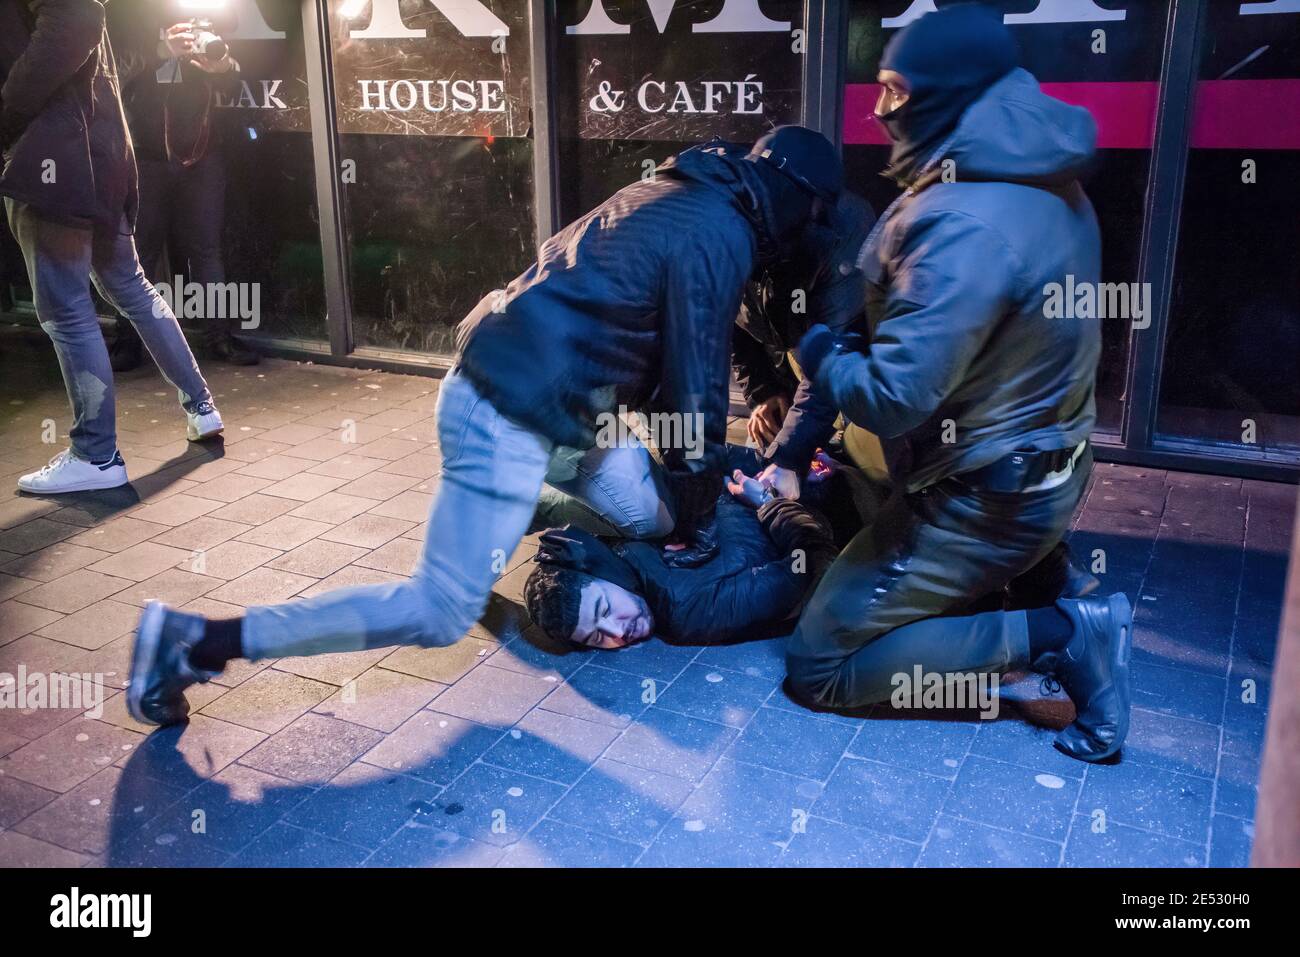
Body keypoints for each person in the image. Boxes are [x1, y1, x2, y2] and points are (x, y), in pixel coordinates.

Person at [126, 126, 843, 727]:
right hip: (510, 406)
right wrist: (707, 509)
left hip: (560, 398)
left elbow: (661, 384)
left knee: (656, 515)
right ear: (794, 203)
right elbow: (690, 394)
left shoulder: (680, 194)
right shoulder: (720, 232)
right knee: (439, 609)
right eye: (813, 218)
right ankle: (199, 641)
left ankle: (525, 503)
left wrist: (709, 482)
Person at [786, 4, 1131, 763]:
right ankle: (1036, 584)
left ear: (946, 93)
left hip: (985, 501)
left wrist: (821, 355)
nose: (878, 110)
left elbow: (895, 398)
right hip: (1047, 467)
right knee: (861, 479)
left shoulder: (959, 218)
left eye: (896, 91)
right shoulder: (1032, 165)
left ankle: (1069, 634)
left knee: (820, 665)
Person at [0, 0, 223, 495]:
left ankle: (95, 455)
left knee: (66, 310)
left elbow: (77, 18)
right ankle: (202, 409)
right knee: (130, 287)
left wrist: (8, 110)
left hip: (55, 158)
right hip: (96, 154)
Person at [525, 447, 844, 650]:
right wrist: (768, 500)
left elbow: (702, 460)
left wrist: (782, 458)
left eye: (605, 610)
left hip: (799, 469)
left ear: (601, 571)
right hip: (829, 505)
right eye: (597, 638)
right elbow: (816, 564)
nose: (617, 633)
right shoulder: (693, 611)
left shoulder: (621, 537)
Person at [106, 9, 258, 369]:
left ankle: (219, 337)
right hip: (146, 159)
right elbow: (115, 74)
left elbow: (235, 77)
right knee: (138, 253)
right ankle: (128, 341)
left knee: (206, 250)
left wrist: (224, 67)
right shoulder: (130, 16)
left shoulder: (209, 15)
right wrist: (162, 50)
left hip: (201, 158)